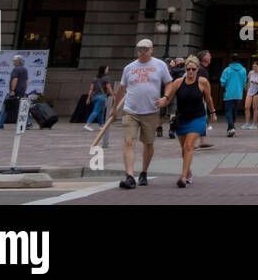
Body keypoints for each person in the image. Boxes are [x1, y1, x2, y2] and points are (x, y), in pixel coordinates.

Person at [111, 39, 172, 189]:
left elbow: (169, 83)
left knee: (148, 143)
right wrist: (114, 109)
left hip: (151, 111)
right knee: (129, 141)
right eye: (140, 49)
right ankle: (130, 176)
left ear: (152, 49)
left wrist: (166, 97)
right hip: (130, 110)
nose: (142, 52)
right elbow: (122, 88)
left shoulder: (160, 65)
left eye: (145, 49)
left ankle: (143, 172)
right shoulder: (129, 68)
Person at [156, 55, 215, 188]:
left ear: (197, 69)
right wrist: (160, 102)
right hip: (182, 119)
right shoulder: (178, 82)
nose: (191, 72)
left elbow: (209, 98)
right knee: (184, 149)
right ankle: (188, 173)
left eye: (193, 69)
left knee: (189, 146)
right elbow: (168, 98)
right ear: (185, 69)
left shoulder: (203, 82)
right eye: (188, 69)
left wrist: (212, 112)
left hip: (198, 118)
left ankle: (182, 177)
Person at [0, 55, 30, 129]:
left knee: (5, 107)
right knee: (21, 108)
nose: (13, 62)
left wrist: (12, 90)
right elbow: (27, 81)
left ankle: (0, 124)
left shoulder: (16, 69)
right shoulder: (25, 69)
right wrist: (24, 90)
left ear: (18, 61)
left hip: (15, 92)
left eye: (14, 61)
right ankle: (27, 123)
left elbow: (15, 79)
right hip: (21, 91)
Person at [218, 56, 247, 136]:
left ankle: (231, 127)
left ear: (231, 61)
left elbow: (222, 83)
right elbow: (245, 82)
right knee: (234, 111)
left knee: (228, 111)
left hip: (229, 93)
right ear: (238, 61)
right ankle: (230, 129)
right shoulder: (243, 70)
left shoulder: (227, 70)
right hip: (238, 93)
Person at [195, 50, 215, 150]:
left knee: (202, 119)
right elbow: (202, 86)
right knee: (199, 119)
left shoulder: (202, 69)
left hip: (199, 98)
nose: (210, 57)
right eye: (209, 55)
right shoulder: (201, 70)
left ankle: (202, 141)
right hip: (199, 99)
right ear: (204, 58)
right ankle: (194, 142)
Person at [83, 65, 112, 132]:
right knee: (96, 111)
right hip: (102, 97)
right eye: (107, 69)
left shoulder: (95, 78)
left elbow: (91, 89)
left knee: (100, 112)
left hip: (94, 97)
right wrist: (113, 95)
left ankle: (101, 126)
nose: (108, 70)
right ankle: (87, 125)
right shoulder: (106, 78)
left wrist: (88, 98)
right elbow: (109, 88)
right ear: (104, 70)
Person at [244, 60, 258, 129]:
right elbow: (248, 82)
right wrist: (247, 90)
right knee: (247, 107)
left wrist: (257, 82)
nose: (254, 67)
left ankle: (254, 124)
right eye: (253, 66)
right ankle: (247, 123)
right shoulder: (250, 73)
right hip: (250, 91)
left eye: (255, 66)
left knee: (254, 107)